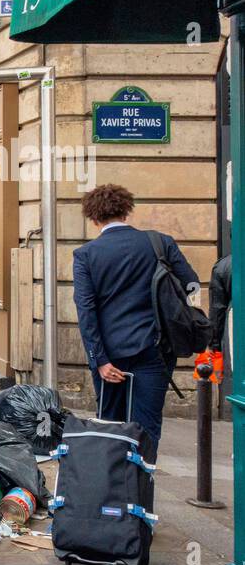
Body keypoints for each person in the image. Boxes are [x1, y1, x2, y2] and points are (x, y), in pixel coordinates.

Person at [73, 184, 199, 454]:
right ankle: (143, 487)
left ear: (93, 219)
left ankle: (114, 488)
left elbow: (86, 311)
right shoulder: (159, 243)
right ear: (126, 211)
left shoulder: (86, 255)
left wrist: (100, 360)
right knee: (147, 427)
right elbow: (192, 285)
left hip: (110, 354)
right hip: (155, 348)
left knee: (110, 426)